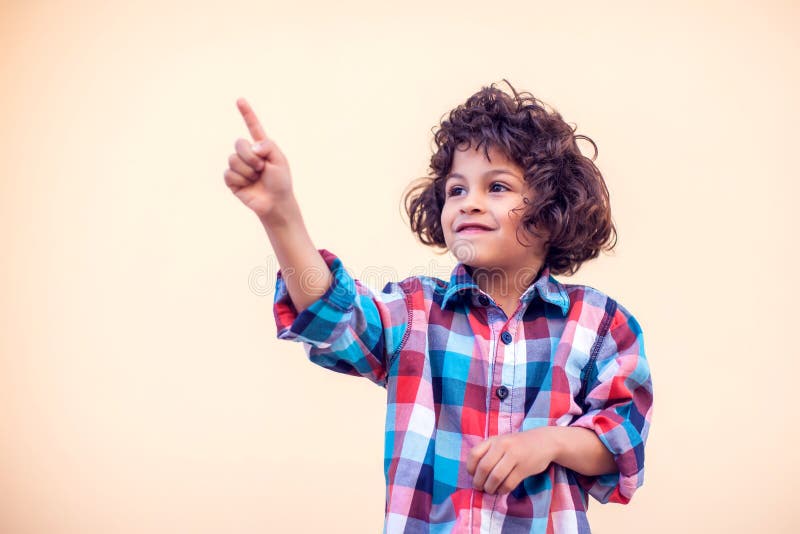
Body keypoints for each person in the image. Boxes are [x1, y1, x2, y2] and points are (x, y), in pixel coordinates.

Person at [223, 80, 654, 533]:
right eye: (456, 190)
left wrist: (548, 443)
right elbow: (332, 317)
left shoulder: (601, 324)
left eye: (498, 187)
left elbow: (623, 437)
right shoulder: (414, 313)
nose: (469, 202)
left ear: (552, 211)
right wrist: (281, 214)